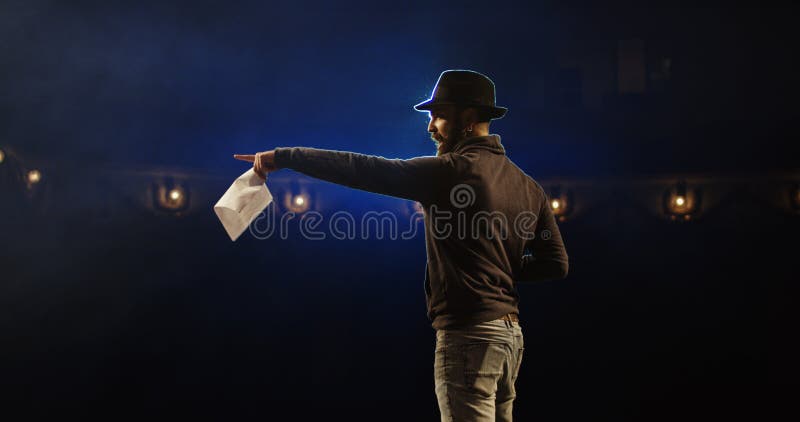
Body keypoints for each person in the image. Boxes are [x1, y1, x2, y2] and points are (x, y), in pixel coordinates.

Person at [234, 69, 569, 421]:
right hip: (509, 336)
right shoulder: (528, 186)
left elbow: (364, 169)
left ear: (468, 119)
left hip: (470, 335)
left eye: (438, 115)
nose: (430, 127)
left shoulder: (453, 170)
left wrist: (286, 156)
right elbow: (555, 263)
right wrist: (495, 266)